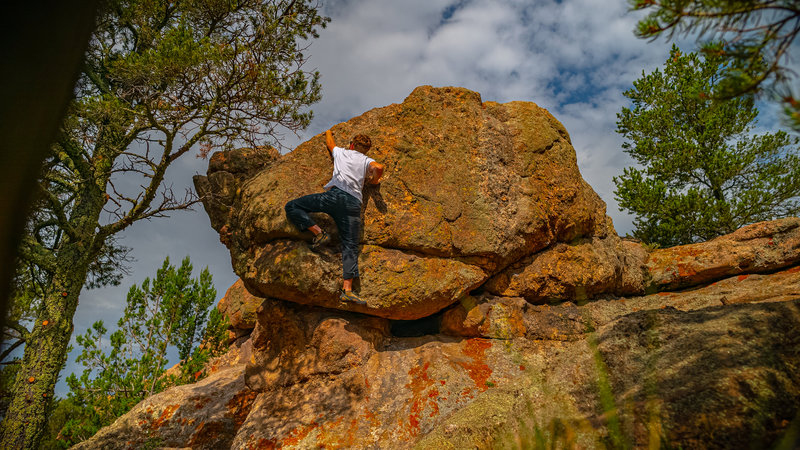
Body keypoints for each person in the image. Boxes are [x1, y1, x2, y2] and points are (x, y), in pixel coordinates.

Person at [284, 129, 384, 304]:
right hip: (353, 204)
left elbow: (330, 143)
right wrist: (374, 181)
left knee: (292, 206)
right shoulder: (366, 160)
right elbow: (379, 167)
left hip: (334, 197)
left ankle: (317, 232)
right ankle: (347, 290)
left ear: (352, 145)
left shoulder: (342, 152)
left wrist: (329, 131)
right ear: (365, 150)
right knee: (350, 246)